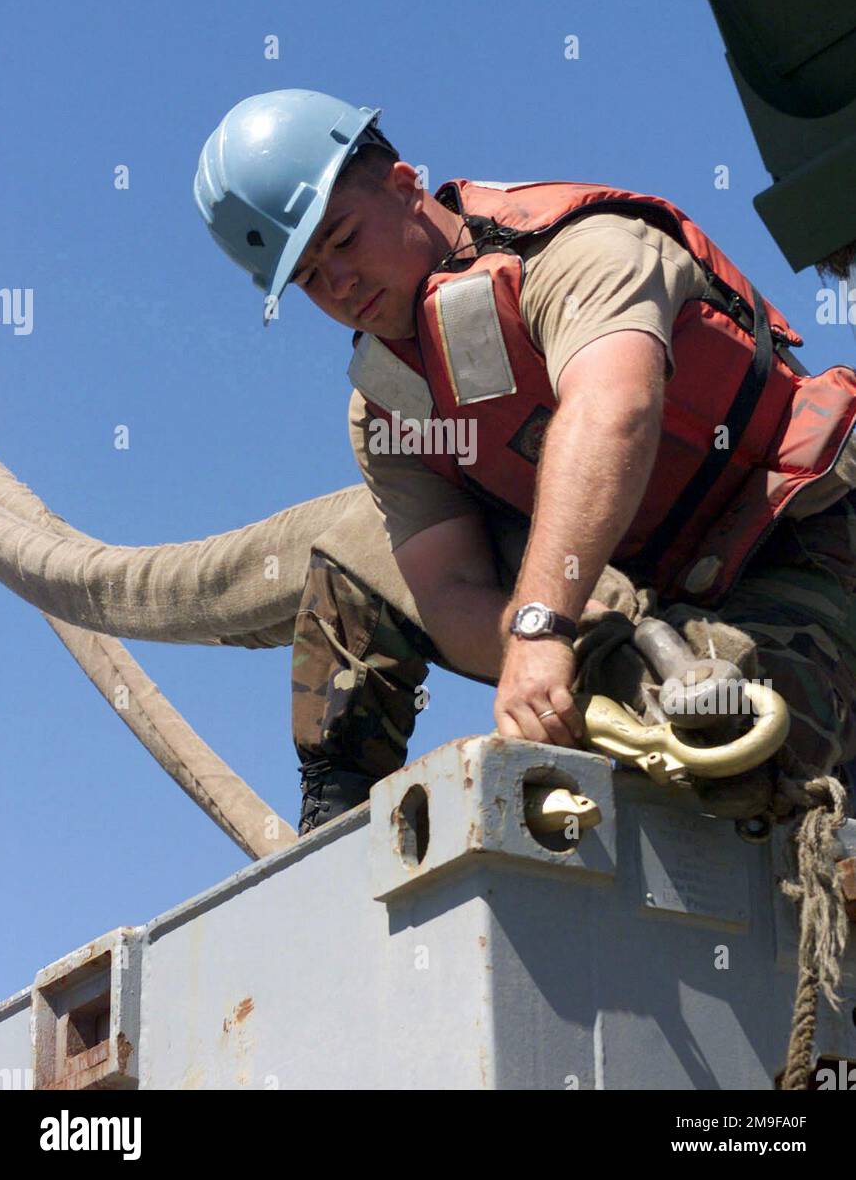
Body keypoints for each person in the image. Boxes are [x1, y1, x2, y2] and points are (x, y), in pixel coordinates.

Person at [195, 89, 856, 834]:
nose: (339, 285)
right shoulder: (386, 408)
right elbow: (447, 588)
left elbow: (613, 411)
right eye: (309, 277)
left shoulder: (581, 250)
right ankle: (339, 830)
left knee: (749, 752)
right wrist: (552, 656)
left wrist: (543, 628)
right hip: (656, 599)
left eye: (342, 240)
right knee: (352, 565)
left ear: (406, 185)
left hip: (804, 533)